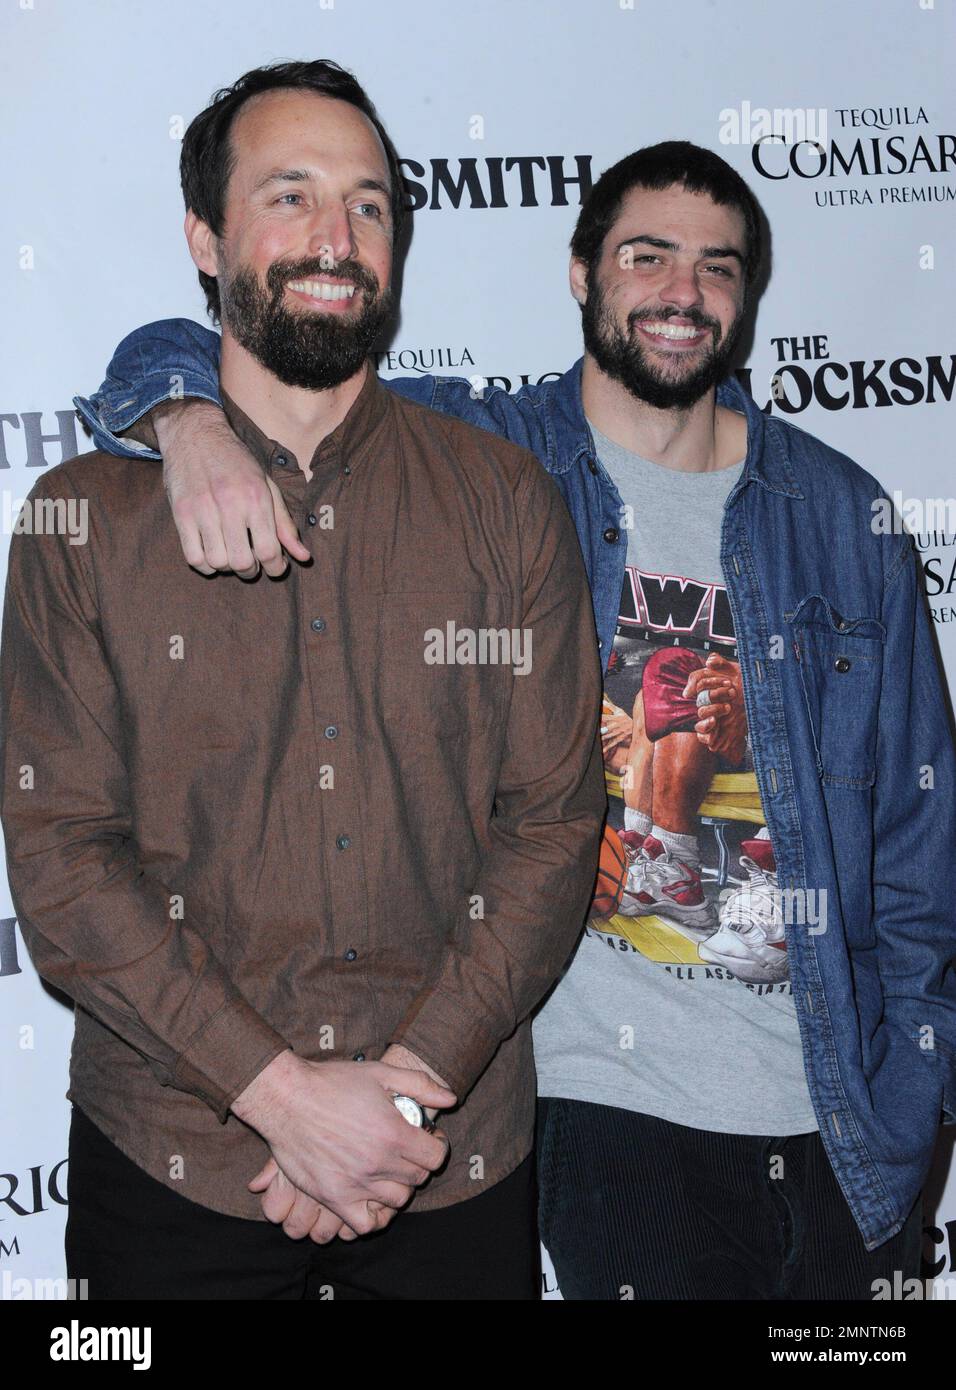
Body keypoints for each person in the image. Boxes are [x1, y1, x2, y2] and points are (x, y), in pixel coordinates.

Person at [75, 136, 956, 1300]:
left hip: (842, 1127)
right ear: (581, 273)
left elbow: (913, 861)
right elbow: (240, 353)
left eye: (715, 266)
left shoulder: (841, 513)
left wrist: (905, 1125)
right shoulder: (484, 454)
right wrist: (184, 422)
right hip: (611, 1107)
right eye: (645, 257)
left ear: (746, 299)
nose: (680, 294)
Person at [0, 60, 607, 1302]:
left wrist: (388, 1092)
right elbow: (61, 854)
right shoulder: (77, 521)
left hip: (448, 1159)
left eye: (370, 204)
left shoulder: (503, 502)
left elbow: (550, 825)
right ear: (205, 239)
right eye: (291, 196)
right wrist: (278, 1095)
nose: (337, 238)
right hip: (169, 1172)